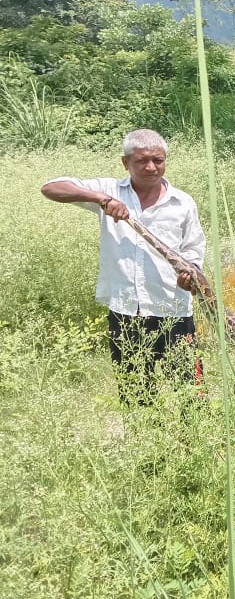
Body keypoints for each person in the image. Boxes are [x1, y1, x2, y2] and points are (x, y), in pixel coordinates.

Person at [41, 129, 206, 407]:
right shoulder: (110, 191)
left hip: (174, 310)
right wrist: (102, 199)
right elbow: (51, 187)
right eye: (141, 161)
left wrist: (190, 273)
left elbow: (194, 248)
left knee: (191, 393)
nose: (151, 167)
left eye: (158, 160)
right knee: (135, 396)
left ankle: (191, 434)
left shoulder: (182, 202)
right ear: (125, 162)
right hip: (126, 312)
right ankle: (146, 435)